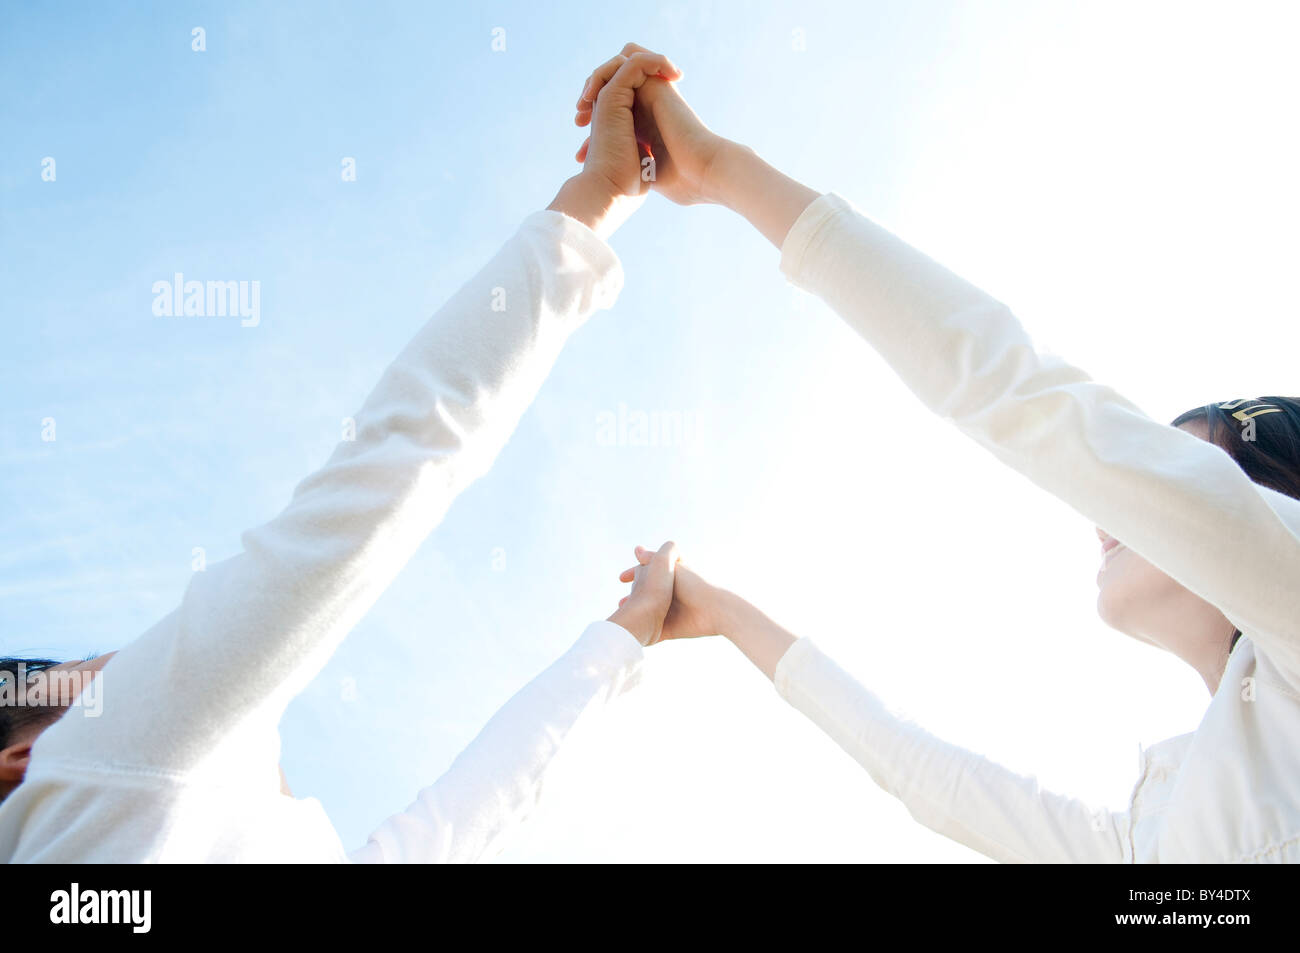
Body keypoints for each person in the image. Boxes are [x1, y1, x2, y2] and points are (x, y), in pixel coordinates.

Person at [587, 43, 1300, 863]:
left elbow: (1014, 393)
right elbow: (925, 774)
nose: (1108, 506)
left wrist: (721, 170)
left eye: (1170, 472)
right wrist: (723, 615)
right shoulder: (1156, 842)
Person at [0, 50, 688, 864]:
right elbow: (387, 474)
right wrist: (592, 205)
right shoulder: (89, 766)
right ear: (21, 762)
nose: (143, 654)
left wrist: (623, 640)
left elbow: (466, 815)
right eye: (96, 665)